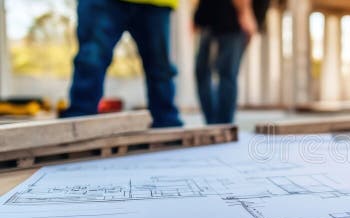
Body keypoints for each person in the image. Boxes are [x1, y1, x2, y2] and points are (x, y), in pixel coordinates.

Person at [61, 0, 183, 128]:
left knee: (160, 67)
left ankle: (167, 123)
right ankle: (78, 125)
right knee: (91, 59)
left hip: (156, 3)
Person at [193, 0, 269, 124]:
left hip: (234, 21)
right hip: (210, 19)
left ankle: (223, 125)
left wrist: (247, 12)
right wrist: (197, 17)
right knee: (202, 71)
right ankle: (213, 123)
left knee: (227, 74)